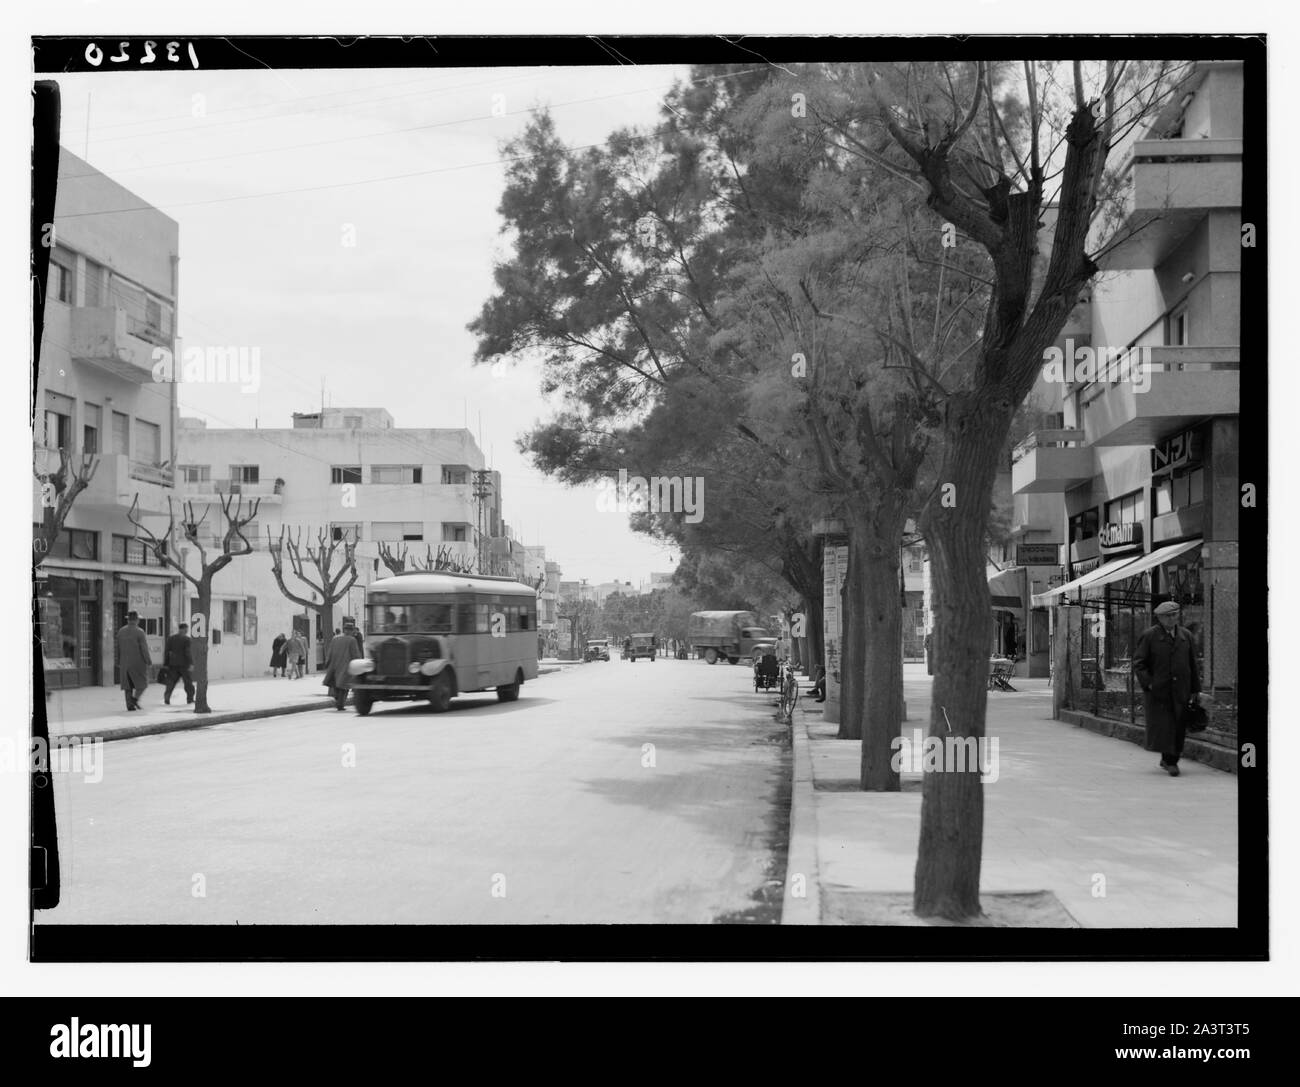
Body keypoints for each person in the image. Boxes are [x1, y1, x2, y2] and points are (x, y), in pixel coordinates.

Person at [1132, 600, 1203, 777]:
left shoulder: (1185, 636)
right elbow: (1139, 663)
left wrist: (1195, 689)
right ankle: (1169, 760)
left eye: (1174, 615)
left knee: (1178, 725)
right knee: (1165, 726)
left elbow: (1192, 664)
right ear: (1160, 618)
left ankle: (1171, 760)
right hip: (1159, 691)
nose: (1171, 619)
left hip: (1181, 689)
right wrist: (1148, 683)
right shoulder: (1149, 636)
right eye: (1167, 616)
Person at [116, 611, 152, 711]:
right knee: (143, 684)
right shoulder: (140, 632)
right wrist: (148, 661)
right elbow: (144, 649)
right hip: (138, 662)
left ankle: (129, 705)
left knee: (127, 686)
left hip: (124, 662)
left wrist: (119, 661)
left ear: (128, 619)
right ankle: (135, 700)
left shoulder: (121, 631)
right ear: (136, 620)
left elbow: (118, 648)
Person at [322, 621, 363, 710]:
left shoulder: (335, 639)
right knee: (344, 687)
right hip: (346, 666)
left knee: (336, 684)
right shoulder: (352, 640)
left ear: (344, 630)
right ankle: (340, 704)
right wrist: (359, 663)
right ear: (351, 631)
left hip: (335, 665)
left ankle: (338, 701)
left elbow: (329, 652)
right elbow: (355, 654)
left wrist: (327, 662)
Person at [163, 622, 195, 705]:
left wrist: (166, 663)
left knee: (171, 682)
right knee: (188, 683)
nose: (187, 630)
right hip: (184, 665)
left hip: (173, 664)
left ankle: (167, 697)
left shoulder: (171, 638)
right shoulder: (187, 639)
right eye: (187, 629)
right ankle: (190, 699)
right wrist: (191, 663)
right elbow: (187, 652)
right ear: (184, 629)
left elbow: (166, 652)